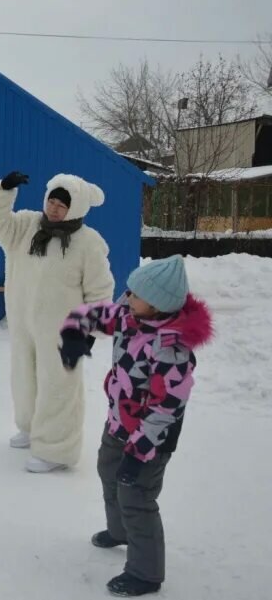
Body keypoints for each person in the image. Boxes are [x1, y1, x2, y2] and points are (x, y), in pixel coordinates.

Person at [59, 255, 212, 597]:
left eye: (135, 294)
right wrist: (74, 333)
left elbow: (167, 408)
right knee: (107, 469)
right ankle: (120, 531)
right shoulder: (131, 314)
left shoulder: (172, 348)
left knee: (137, 494)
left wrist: (140, 453)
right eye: (128, 291)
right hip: (119, 420)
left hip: (152, 437)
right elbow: (91, 313)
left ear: (158, 305)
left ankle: (146, 573)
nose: (127, 297)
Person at [0, 171, 115, 473]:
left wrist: (90, 329)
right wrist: (2, 191)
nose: (54, 208)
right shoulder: (26, 226)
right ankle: (31, 427)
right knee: (24, 377)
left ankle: (56, 449)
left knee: (59, 385)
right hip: (23, 322)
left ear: (77, 207)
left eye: (62, 205)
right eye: (51, 201)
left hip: (64, 329)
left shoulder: (88, 242)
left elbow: (100, 289)